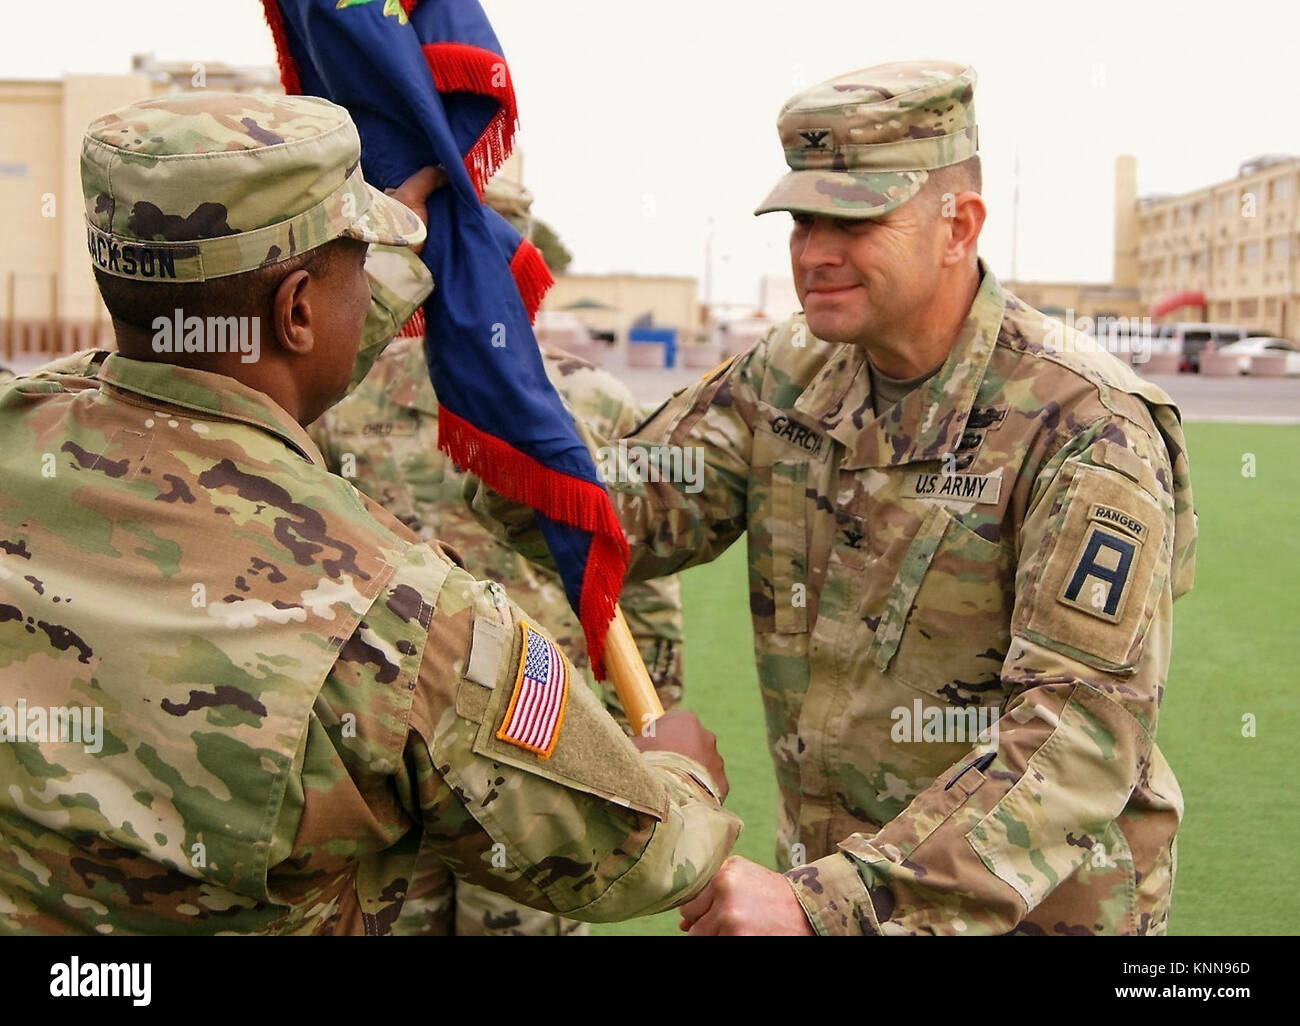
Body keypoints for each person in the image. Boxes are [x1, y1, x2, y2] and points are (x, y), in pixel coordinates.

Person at [471, 60, 1197, 936]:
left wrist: (831, 906)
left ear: (957, 224)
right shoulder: (791, 375)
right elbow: (632, 517)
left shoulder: (1084, 423)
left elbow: (1077, 742)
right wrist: (489, 390)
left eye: (855, 220)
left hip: (1026, 914)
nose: (816, 251)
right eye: (804, 219)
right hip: (835, 892)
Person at [0, 90, 739, 936]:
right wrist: (682, 774)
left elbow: (235, 351)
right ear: (299, 309)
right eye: (360, 263)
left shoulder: (21, 428)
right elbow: (627, 857)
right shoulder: (400, 611)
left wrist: (393, 260)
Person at [310, 175, 686, 936]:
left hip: (542, 753)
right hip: (389, 753)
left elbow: (640, 583)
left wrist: (637, 734)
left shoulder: (590, 402)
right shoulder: (343, 393)